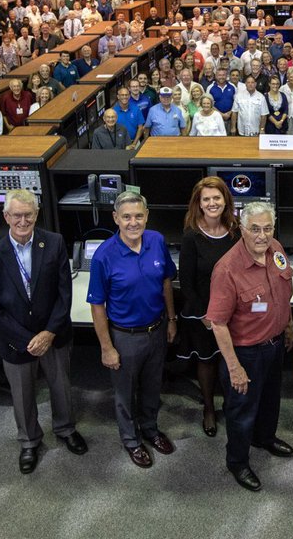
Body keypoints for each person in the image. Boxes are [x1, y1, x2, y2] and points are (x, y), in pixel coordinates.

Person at [0, 189, 87, 474]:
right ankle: (29, 441)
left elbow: (65, 294)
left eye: (28, 214)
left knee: (61, 386)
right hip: (17, 342)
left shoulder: (53, 244)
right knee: (23, 394)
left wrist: (49, 333)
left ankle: (65, 429)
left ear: (37, 214)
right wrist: (29, 340)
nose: (23, 221)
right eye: (17, 215)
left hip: (54, 335)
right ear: (6, 217)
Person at [206, 202, 293, 492]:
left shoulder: (277, 250)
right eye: (255, 229)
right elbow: (218, 323)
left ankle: (265, 438)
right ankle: (238, 462)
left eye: (267, 228)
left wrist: (289, 327)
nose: (262, 235)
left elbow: (284, 293)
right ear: (241, 229)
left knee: (270, 400)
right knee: (241, 411)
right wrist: (234, 368)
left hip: (274, 344)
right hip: (245, 353)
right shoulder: (227, 270)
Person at [87, 192, 178, 468]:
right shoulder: (104, 255)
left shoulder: (157, 241)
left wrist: (172, 319)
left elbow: (165, 283)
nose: (133, 222)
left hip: (157, 330)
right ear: (116, 218)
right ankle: (131, 440)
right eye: (126, 217)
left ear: (147, 216)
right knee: (125, 394)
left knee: (152, 387)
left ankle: (150, 429)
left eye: (138, 216)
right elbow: (97, 305)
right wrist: (107, 348)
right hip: (125, 337)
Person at [177, 177, 239, 439]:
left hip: (233, 312)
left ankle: (234, 406)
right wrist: (206, 316)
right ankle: (209, 409)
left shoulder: (236, 232)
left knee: (232, 360)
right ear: (199, 204)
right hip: (203, 313)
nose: (212, 203)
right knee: (207, 361)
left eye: (217, 198)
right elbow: (186, 281)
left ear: (225, 201)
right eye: (206, 199)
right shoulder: (192, 236)